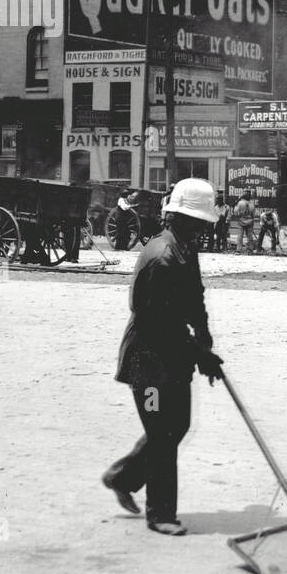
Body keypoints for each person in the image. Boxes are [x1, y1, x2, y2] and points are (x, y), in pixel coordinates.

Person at [101, 178, 225, 536]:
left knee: (178, 425)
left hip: (173, 357)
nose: (203, 228)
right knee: (161, 434)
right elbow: (156, 323)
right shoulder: (162, 258)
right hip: (148, 363)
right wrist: (198, 354)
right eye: (198, 221)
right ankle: (161, 514)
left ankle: (122, 477)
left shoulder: (187, 248)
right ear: (178, 219)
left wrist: (204, 342)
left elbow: (194, 300)